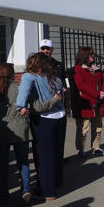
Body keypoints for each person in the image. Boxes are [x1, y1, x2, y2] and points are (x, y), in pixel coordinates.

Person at [16, 52, 65, 201]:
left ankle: (47, 192)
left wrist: (21, 106)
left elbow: (22, 95)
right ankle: (55, 183)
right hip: (60, 117)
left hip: (44, 119)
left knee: (44, 157)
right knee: (56, 153)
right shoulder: (55, 78)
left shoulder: (29, 76)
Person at [0, 63, 32, 206]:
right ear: (13, 75)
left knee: (2, 165)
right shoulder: (19, 89)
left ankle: (3, 195)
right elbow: (27, 105)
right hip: (19, 127)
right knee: (23, 162)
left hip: (1, 129)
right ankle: (25, 189)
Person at [40, 39, 68, 186]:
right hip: (45, 112)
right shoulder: (36, 65)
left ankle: (58, 178)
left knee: (58, 147)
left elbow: (65, 79)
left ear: (52, 50)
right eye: (43, 48)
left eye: (48, 48)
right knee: (47, 151)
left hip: (59, 108)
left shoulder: (58, 64)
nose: (45, 51)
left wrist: (65, 87)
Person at [72, 46, 104, 157]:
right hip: (86, 103)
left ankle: (96, 147)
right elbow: (81, 85)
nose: (92, 56)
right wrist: (97, 94)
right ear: (84, 56)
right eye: (90, 54)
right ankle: (81, 150)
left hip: (97, 102)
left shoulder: (96, 68)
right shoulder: (78, 68)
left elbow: (103, 82)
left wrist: (102, 92)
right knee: (84, 127)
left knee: (98, 125)